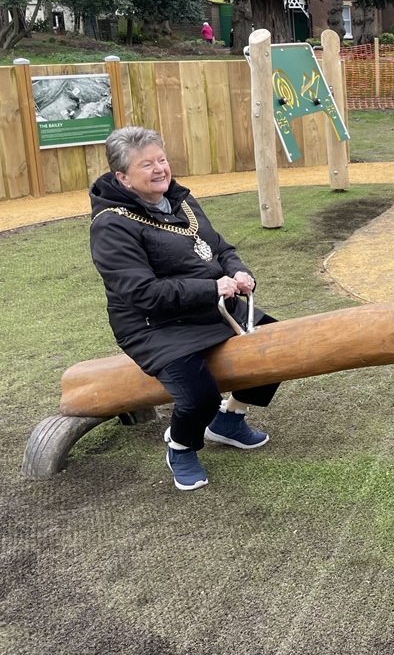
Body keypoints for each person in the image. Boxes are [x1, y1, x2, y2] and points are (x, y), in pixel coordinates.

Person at [89, 126, 278, 491]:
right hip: (155, 326)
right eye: (147, 165)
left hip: (213, 307)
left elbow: (219, 248)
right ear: (123, 178)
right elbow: (141, 292)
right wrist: (210, 288)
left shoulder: (181, 201)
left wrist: (238, 271)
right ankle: (181, 446)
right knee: (199, 397)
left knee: (275, 349)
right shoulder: (111, 226)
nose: (160, 169)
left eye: (162, 159)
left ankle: (229, 420)